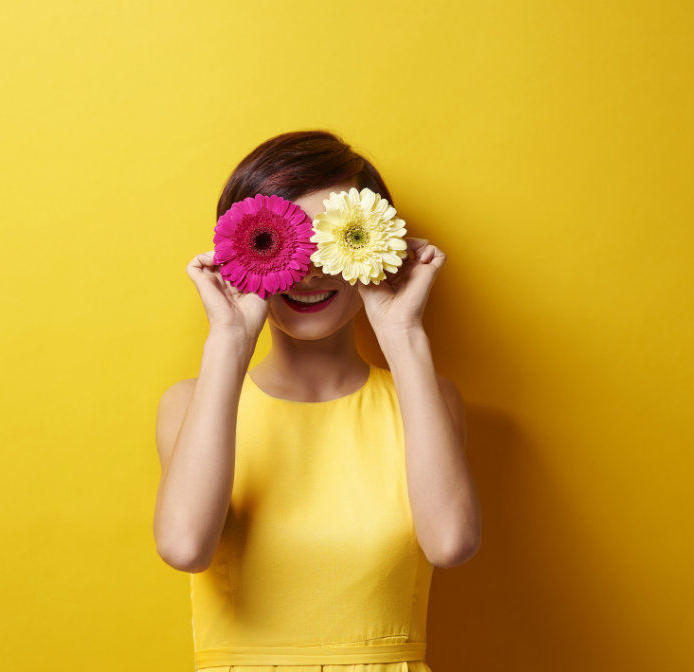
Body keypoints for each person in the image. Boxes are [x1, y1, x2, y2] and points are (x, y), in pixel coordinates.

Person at [153, 130, 481, 672]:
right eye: (282, 240)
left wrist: (403, 333)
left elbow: (450, 543)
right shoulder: (188, 404)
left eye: (336, 239)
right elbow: (186, 546)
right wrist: (230, 338)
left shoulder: (427, 399)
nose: (309, 267)